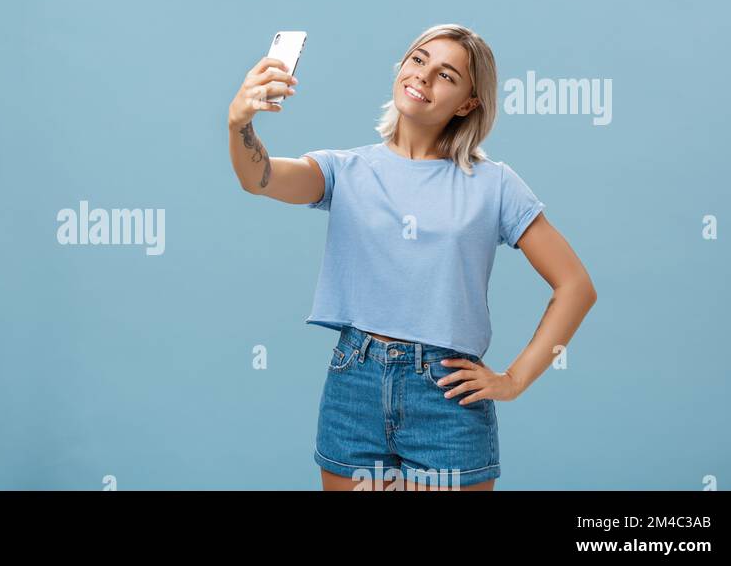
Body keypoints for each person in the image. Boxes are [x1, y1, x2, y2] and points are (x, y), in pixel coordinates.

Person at [226, 24, 597, 491]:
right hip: (354, 384)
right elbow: (258, 178)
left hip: (446, 396)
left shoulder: (495, 184)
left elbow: (576, 286)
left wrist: (514, 380)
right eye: (419, 60)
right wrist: (240, 123)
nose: (423, 76)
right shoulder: (345, 170)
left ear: (468, 103)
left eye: (446, 75)